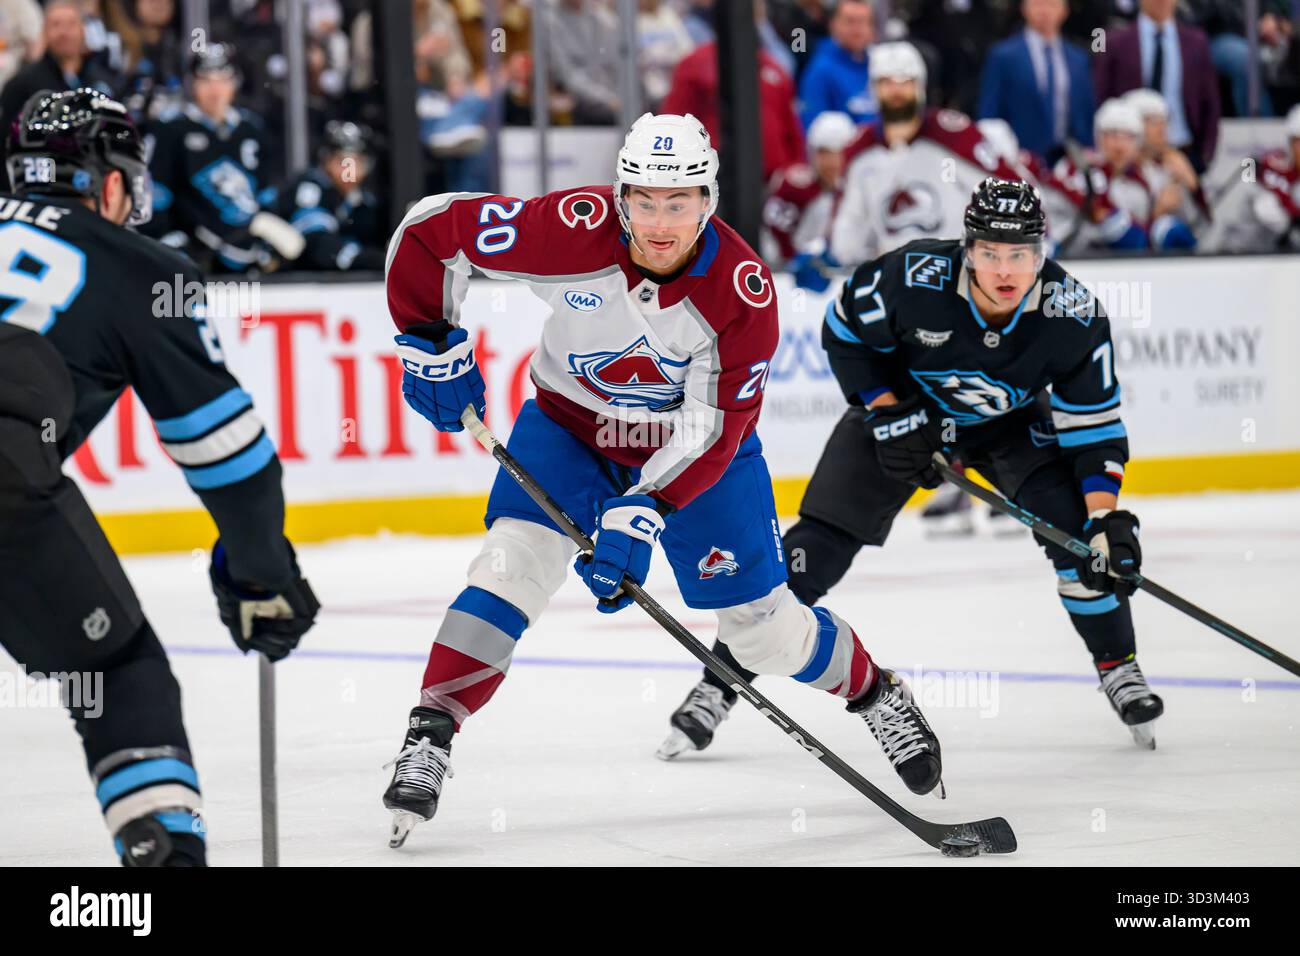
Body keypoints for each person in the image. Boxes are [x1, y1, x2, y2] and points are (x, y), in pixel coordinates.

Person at [379, 112, 947, 847]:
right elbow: (431, 232)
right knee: (510, 563)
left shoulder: (742, 292)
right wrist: (428, 343)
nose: (658, 221)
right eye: (643, 199)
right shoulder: (569, 227)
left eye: (677, 202)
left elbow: (711, 430)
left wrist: (643, 506)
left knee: (766, 632)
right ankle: (430, 733)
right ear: (619, 196)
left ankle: (875, 693)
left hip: (697, 452)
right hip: (568, 428)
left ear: (708, 200)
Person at [663, 178, 1163, 758]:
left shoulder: (1071, 313)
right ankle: (717, 685)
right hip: (904, 413)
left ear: (1041, 253)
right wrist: (887, 413)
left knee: (1082, 545)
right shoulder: (912, 276)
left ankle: (1118, 666)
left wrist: (1105, 519)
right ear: (967, 248)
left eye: (1021, 254)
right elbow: (845, 333)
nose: (1005, 269)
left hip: (1012, 427)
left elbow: (1093, 428)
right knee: (814, 549)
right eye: (991, 253)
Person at [0, 89, 318, 866]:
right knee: (117, 674)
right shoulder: (140, 265)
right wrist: (260, 574)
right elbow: (229, 458)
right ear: (111, 184)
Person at [829, 41, 1023, 267]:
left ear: (920, 86)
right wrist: (831, 258)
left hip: (956, 275)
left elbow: (1012, 192)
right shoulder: (860, 149)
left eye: (905, 82)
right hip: (893, 283)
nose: (896, 91)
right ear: (873, 89)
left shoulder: (953, 134)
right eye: (886, 82)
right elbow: (847, 230)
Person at [143, 43, 298, 273]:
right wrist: (168, 239)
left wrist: (263, 239)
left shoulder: (251, 129)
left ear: (235, 83)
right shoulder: (170, 130)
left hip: (243, 253)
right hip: (193, 255)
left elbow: (265, 196)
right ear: (192, 83)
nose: (215, 89)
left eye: (223, 79)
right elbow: (157, 196)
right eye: (206, 80)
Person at [976, 0, 1096, 164]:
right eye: (1038, 3)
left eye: (1052, 4)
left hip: (1067, 163)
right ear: (1024, 8)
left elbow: (1086, 112)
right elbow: (989, 113)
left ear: (1065, 10)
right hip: (1017, 160)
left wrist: (1086, 153)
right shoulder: (1003, 56)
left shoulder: (1078, 60)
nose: (1045, 11)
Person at [761, 109, 856, 291]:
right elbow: (771, 249)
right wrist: (796, 261)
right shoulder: (795, 188)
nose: (832, 162)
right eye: (824, 152)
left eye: (839, 152)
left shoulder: (862, 187)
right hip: (794, 286)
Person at [277, 120, 384, 272]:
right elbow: (318, 246)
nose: (349, 171)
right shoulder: (311, 188)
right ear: (326, 160)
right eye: (342, 161)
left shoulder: (365, 202)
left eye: (357, 161)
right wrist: (369, 259)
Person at [0, 0, 120, 131]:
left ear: (83, 31)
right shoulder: (21, 85)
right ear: (44, 33)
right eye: (56, 25)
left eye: (71, 24)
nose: (64, 32)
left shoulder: (104, 80)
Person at [1200, 104, 1300, 253]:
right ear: (1290, 143)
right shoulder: (1267, 169)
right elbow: (1267, 211)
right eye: (1297, 142)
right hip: (1241, 255)